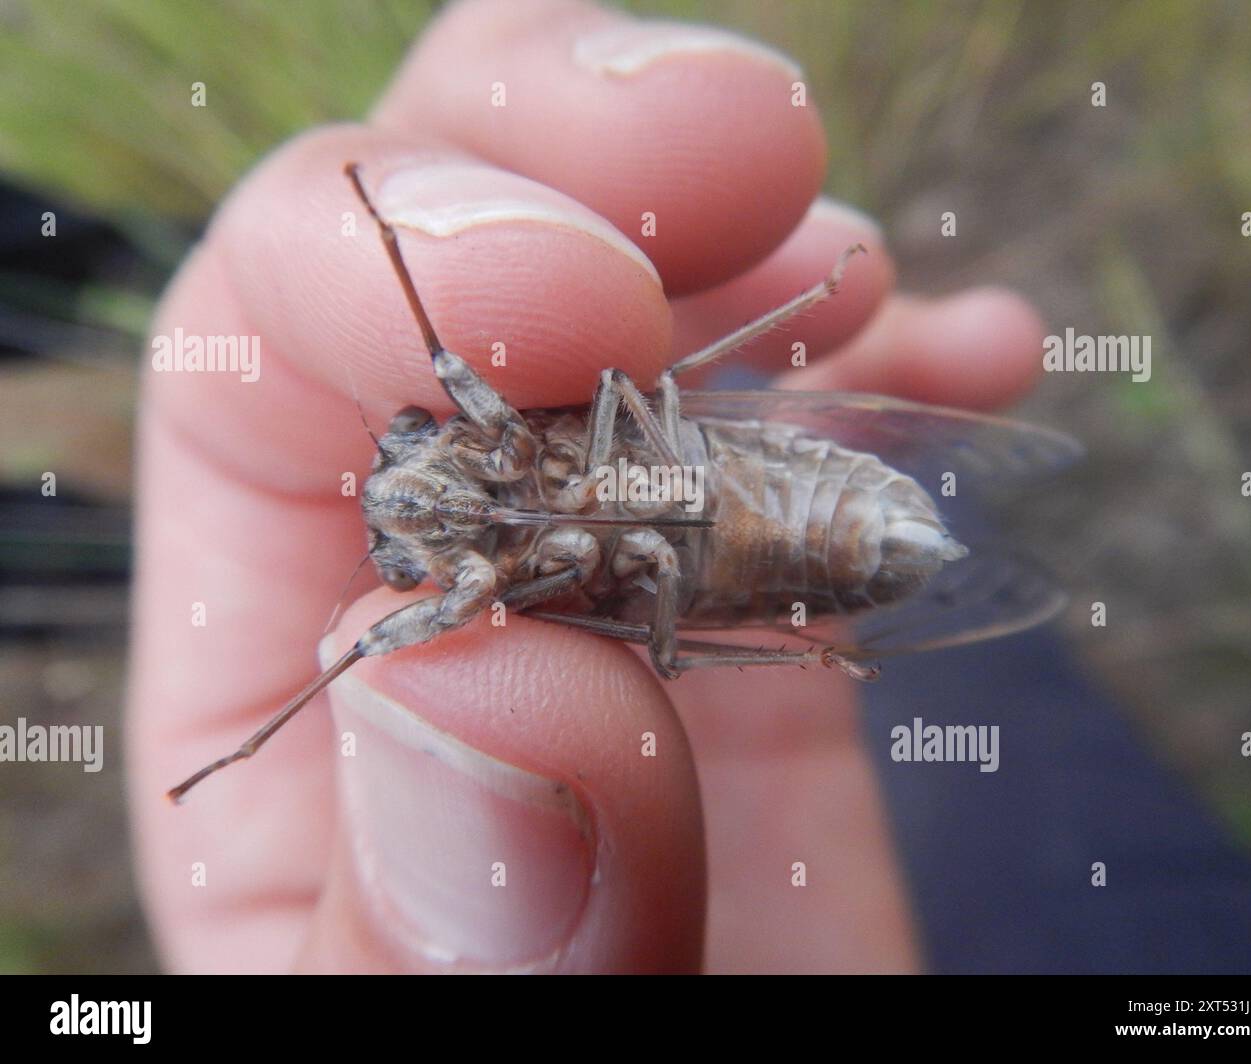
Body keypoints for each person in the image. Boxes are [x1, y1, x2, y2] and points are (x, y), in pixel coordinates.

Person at [127, 0, 1045, 973]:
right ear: (414, 569)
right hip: (709, 574)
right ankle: (817, 646)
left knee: (625, 384)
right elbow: (389, 636)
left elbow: (467, 358)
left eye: (406, 446)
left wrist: (388, 234)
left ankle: (845, 555)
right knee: (647, 572)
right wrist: (251, 746)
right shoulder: (479, 584)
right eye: (401, 553)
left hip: (740, 468)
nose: (415, 509)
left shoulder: (499, 446)